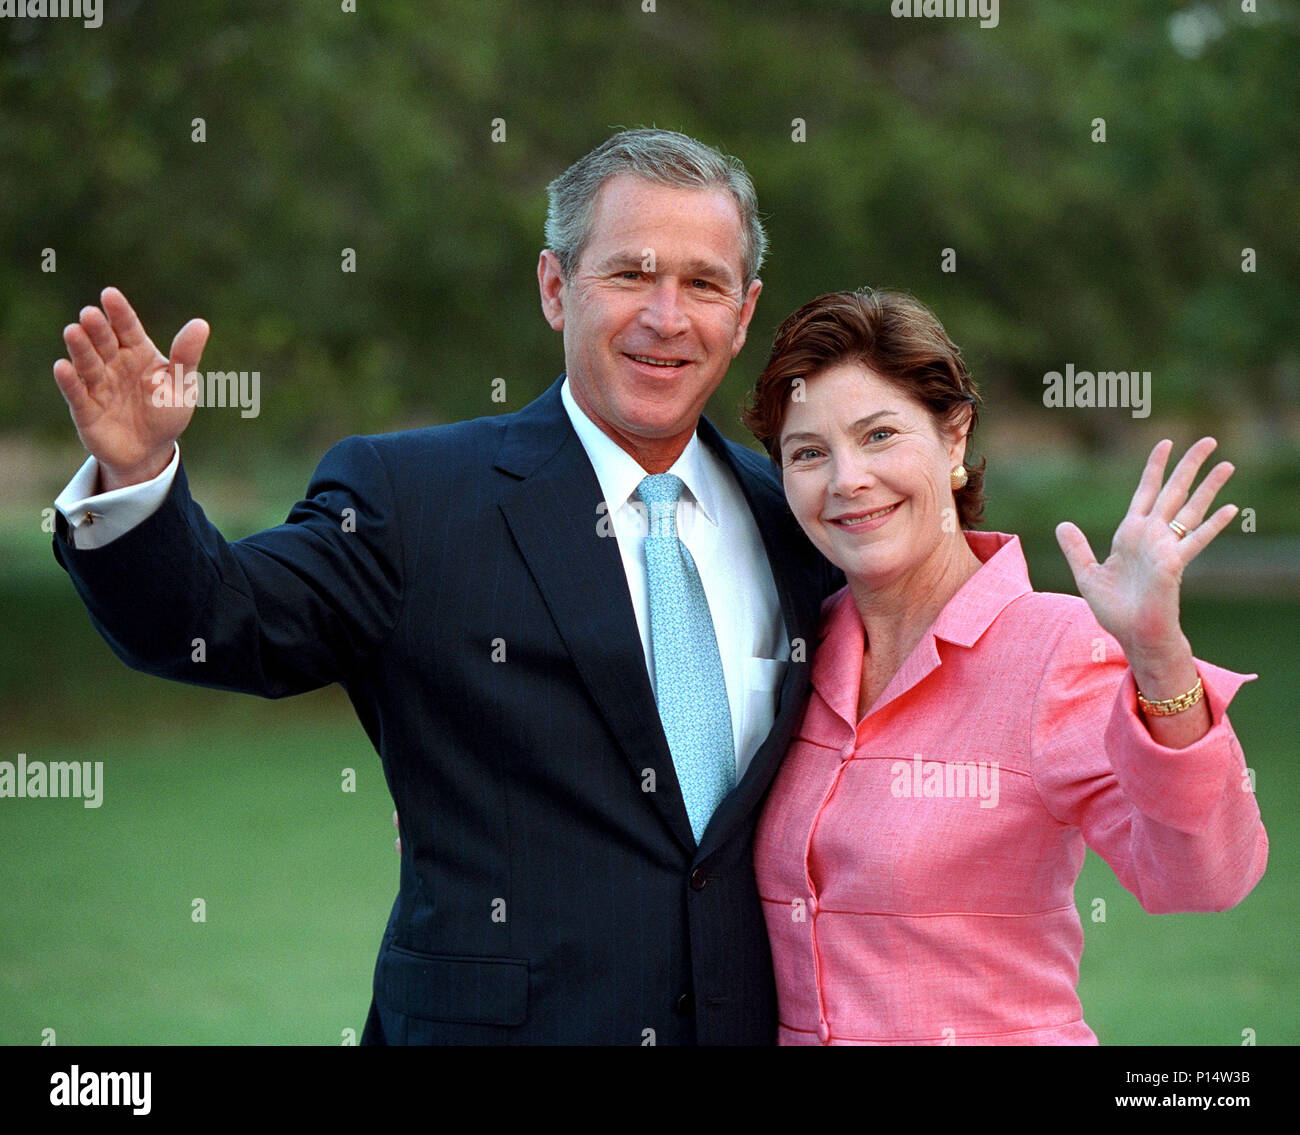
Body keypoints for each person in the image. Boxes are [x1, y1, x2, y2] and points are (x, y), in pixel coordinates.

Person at [48, 129, 838, 1044]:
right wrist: (138, 477)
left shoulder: (798, 517)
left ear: (743, 314)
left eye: (703, 284)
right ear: (555, 287)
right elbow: (213, 620)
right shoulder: (411, 500)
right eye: (630, 274)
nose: (668, 316)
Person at [743, 288, 1269, 1045]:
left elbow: (1205, 877)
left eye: (880, 434)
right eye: (808, 452)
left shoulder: (1056, 651)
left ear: (953, 439)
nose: (846, 478)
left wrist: (1157, 655)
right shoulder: (797, 648)